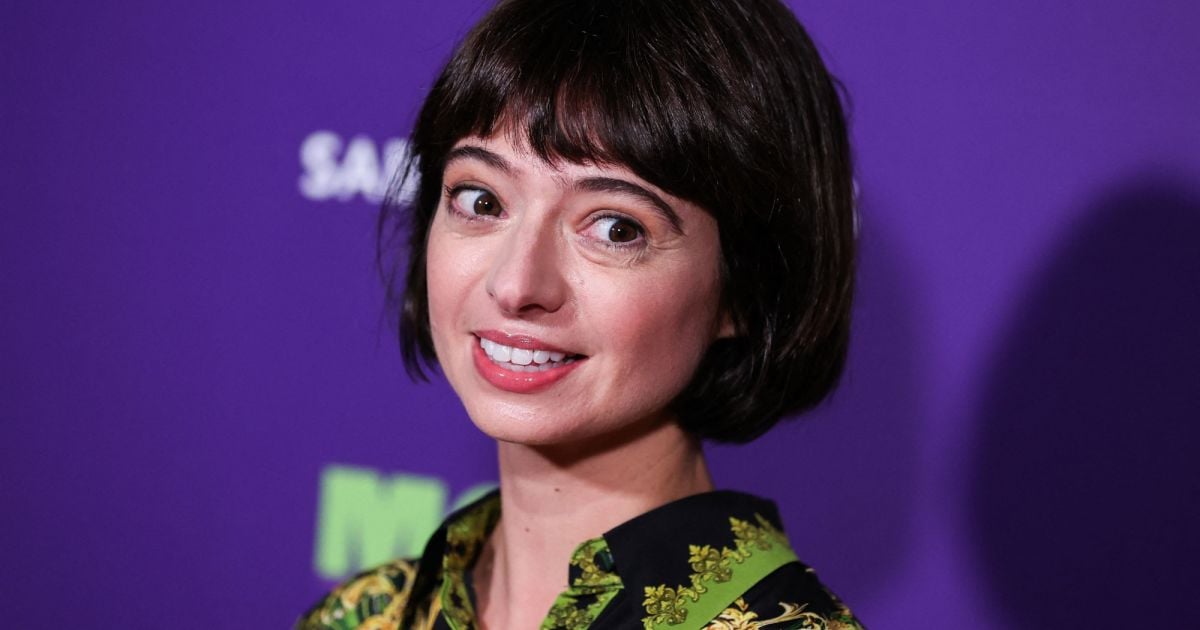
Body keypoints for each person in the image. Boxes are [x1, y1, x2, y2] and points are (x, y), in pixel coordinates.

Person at [299, 0, 861, 627]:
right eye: (481, 199)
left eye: (617, 228)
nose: (515, 284)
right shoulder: (362, 615)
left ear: (746, 293)